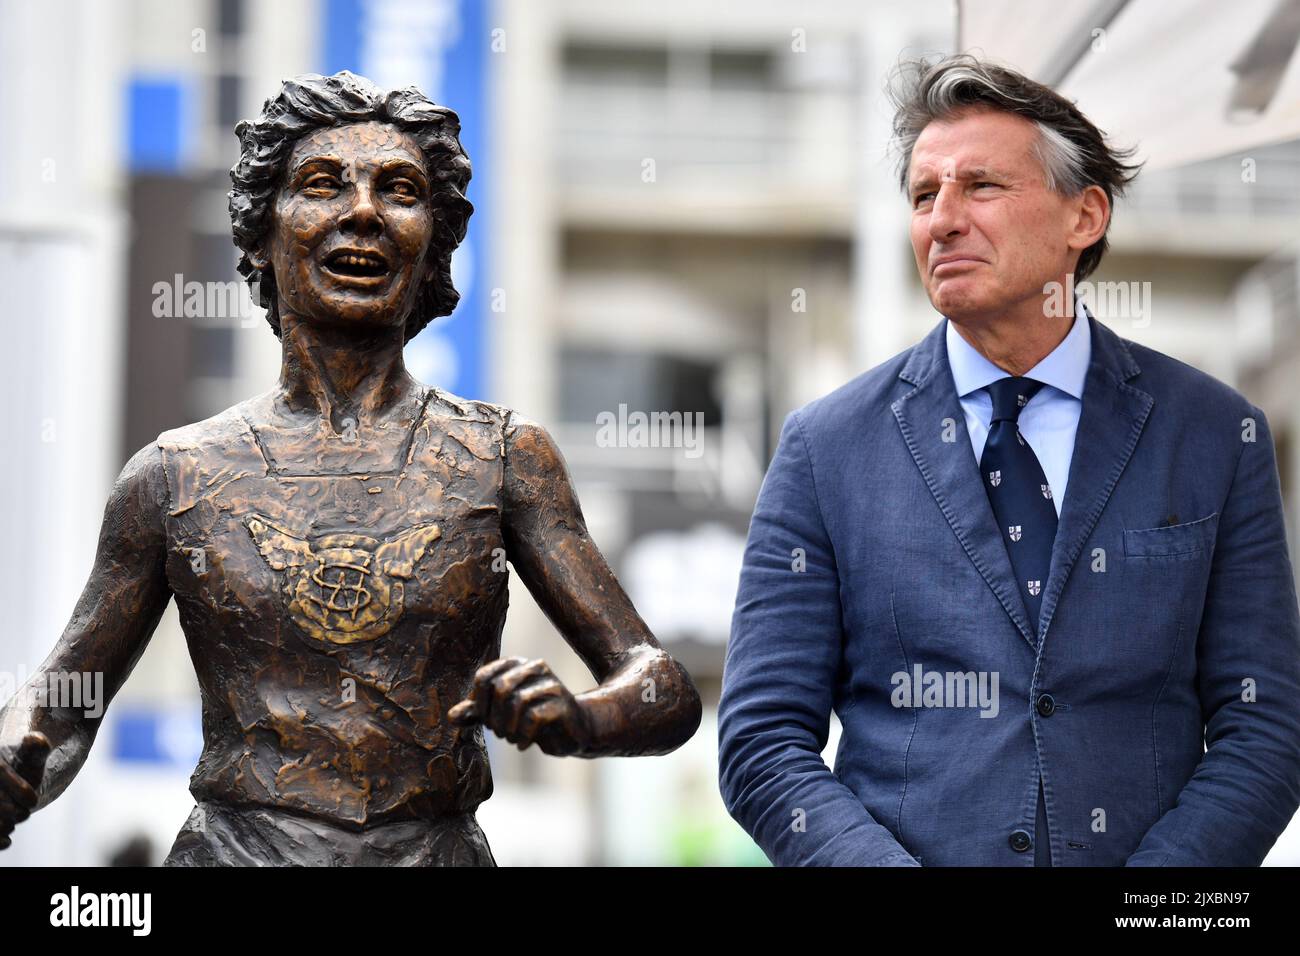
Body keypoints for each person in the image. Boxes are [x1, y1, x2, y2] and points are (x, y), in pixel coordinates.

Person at [0, 71, 700, 866]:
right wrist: (12, 755)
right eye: (322, 185)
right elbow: (62, 702)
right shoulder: (174, 476)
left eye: (399, 190)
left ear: (433, 241)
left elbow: (663, 687)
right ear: (263, 232)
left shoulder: (504, 457)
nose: (362, 211)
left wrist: (584, 717)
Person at [718, 54, 1300, 866]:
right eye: (924, 195)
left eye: (981, 187)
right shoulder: (826, 446)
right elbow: (761, 740)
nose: (942, 220)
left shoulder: (1214, 434)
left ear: (1084, 216)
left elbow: (1266, 724)